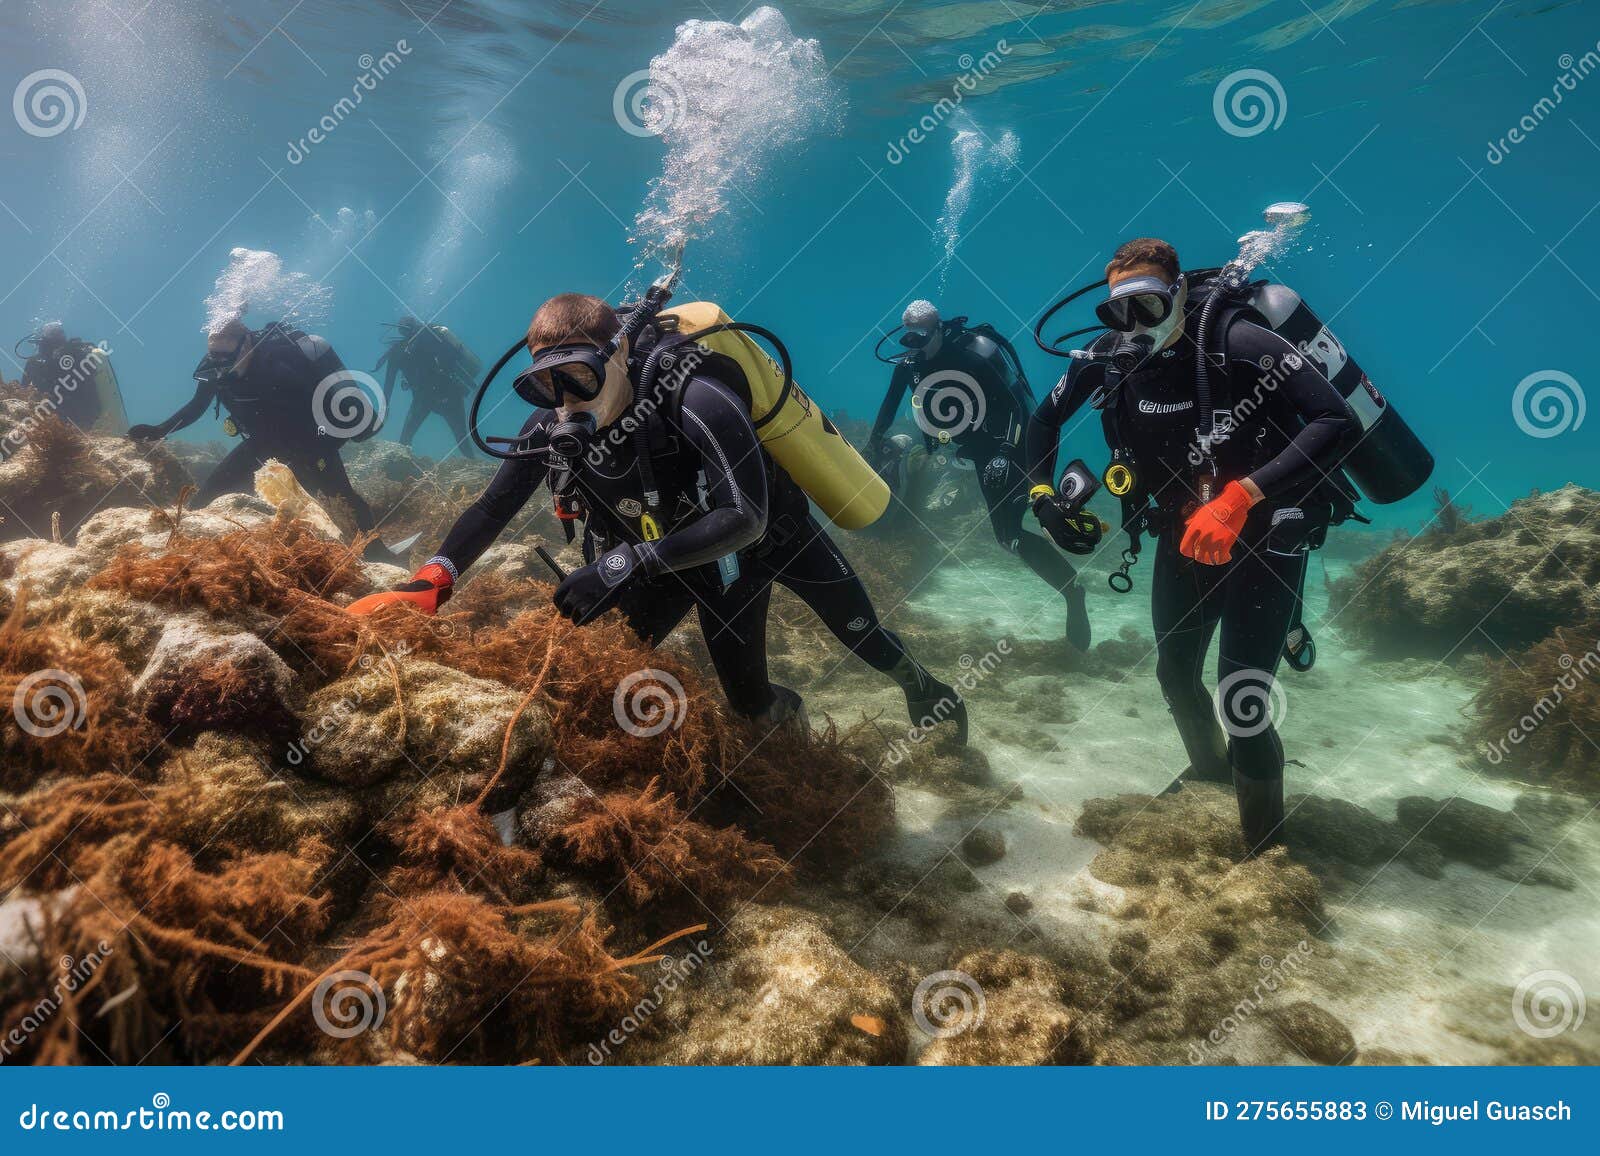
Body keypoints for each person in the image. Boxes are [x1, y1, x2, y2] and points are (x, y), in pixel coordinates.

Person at [350, 292, 967, 740]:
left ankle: (922, 686)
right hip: (672, 564)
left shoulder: (694, 395)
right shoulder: (552, 424)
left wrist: (622, 562)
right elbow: (492, 507)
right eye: (545, 386)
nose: (566, 403)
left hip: (769, 540)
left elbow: (744, 517)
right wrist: (435, 578)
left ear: (617, 353)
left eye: (580, 377)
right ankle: (787, 730)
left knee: (862, 636)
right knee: (733, 702)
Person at [1026, 238, 1359, 855]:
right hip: (1184, 535)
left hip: (1265, 534)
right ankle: (1211, 781)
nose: (1133, 328)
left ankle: (1266, 854)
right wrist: (1043, 497)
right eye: (1118, 313)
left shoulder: (1235, 341)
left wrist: (1239, 498)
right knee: (1175, 674)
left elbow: (1334, 419)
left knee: (1243, 700)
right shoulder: (1111, 359)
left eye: (1148, 307)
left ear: (1178, 293)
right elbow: (1042, 422)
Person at [868, 300, 1094, 651]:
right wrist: (872, 444)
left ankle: (1071, 591)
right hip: (975, 450)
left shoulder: (973, 359)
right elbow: (888, 405)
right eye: (908, 338)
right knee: (1008, 536)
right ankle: (1069, 581)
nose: (915, 346)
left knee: (1012, 529)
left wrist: (1004, 453)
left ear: (939, 329)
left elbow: (1018, 410)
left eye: (922, 337)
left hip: (1010, 446)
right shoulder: (908, 366)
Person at [127, 318, 385, 541]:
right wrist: (160, 430)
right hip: (261, 442)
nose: (220, 366)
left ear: (248, 343)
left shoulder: (281, 364)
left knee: (339, 497)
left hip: (311, 441)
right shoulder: (214, 365)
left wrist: (315, 450)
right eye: (213, 356)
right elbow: (197, 406)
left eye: (226, 359)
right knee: (206, 499)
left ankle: (378, 553)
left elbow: (326, 411)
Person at [374, 316, 480, 453]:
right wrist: (475, 387)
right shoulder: (433, 338)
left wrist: (384, 408)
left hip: (423, 400)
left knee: (404, 442)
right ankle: (474, 464)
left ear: (400, 331)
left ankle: (399, 469)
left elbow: (389, 383)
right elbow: (454, 366)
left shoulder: (396, 351)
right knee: (463, 442)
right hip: (450, 395)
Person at [19, 322, 124, 432]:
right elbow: (24, 392)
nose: (57, 336)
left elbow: (23, 391)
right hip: (55, 422)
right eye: (52, 333)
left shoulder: (76, 352)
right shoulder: (35, 363)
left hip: (83, 418)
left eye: (58, 332)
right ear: (43, 338)